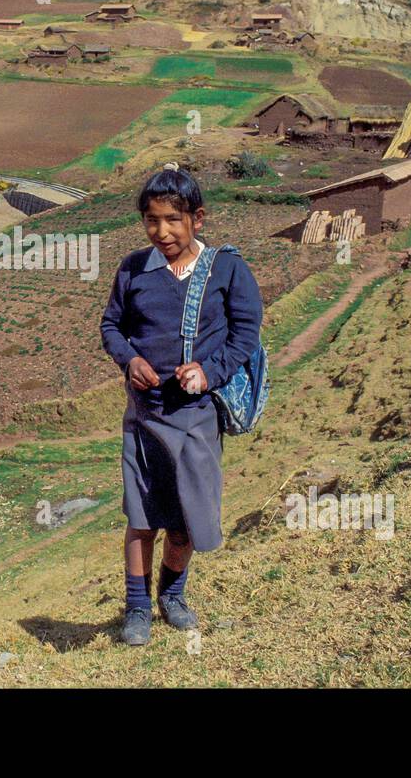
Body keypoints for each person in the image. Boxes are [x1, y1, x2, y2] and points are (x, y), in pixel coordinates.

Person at [100, 162, 262, 646]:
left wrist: (209, 371)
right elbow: (111, 326)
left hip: (196, 419)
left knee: (188, 519)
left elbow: (245, 336)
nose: (162, 231)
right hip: (145, 416)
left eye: (173, 220)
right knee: (142, 516)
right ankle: (136, 609)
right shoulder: (134, 269)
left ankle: (173, 595)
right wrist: (128, 359)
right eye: (152, 220)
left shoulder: (227, 269)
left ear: (198, 219)